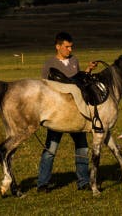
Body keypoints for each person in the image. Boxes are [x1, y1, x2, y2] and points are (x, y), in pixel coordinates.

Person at [37, 31, 97, 192]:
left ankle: (83, 181)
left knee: (82, 147)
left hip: (77, 113)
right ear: (58, 47)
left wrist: (88, 70)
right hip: (57, 114)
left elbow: (78, 81)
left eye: (71, 47)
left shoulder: (74, 61)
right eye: (67, 47)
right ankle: (42, 183)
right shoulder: (49, 63)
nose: (70, 50)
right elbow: (44, 87)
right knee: (51, 149)